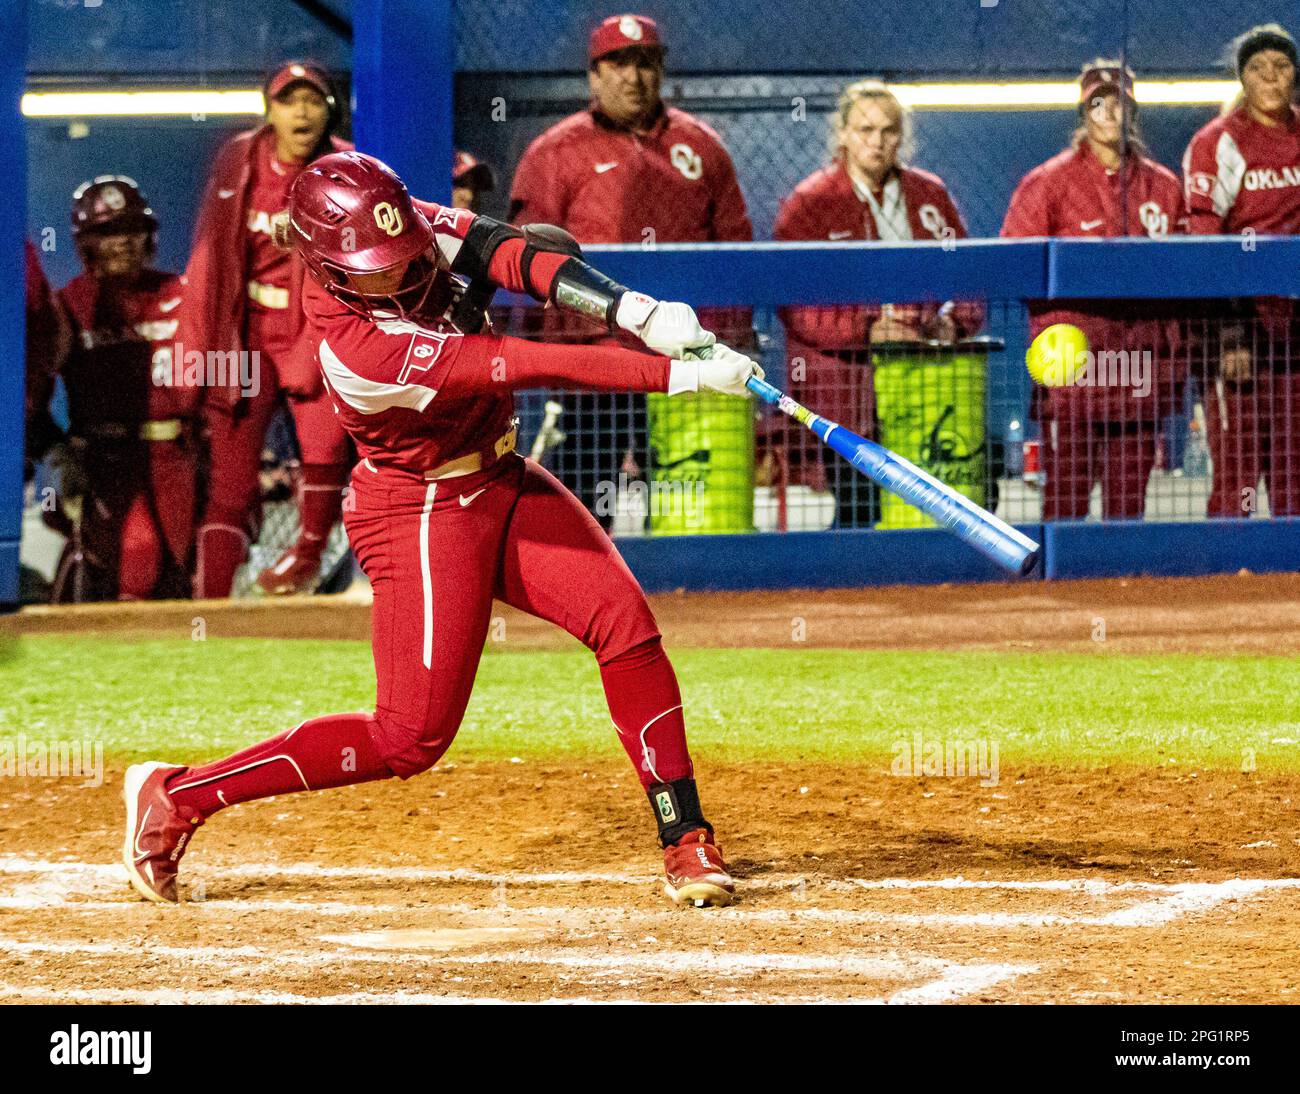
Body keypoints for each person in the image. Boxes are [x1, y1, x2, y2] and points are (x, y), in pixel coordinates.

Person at [122, 151, 761, 909]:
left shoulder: (394, 225)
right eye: (373, 266)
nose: (396, 270)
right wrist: (679, 375)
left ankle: (686, 838)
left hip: (500, 475)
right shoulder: (357, 347)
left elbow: (508, 249)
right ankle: (180, 794)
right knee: (407, 740)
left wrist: (636, 312)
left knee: (626, 627)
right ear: (327, 264)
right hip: (420, 511)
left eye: (396, 254)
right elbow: (513, 361)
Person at [507, 13, 753, 528]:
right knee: (583, 511)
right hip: (593, 366)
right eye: (617, 63)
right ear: (594, 75)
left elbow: (737, 249)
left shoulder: (703, 147)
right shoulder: (553, 153)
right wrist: (549, 355)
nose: (632, 76)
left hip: (686, 357)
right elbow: (525, 259)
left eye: (645, 63)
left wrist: (728, 338)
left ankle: (691, 597)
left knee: (687, 506)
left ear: (660, 71)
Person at [771, 79, 982, 527]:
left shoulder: (930, 196)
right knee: (858, 510)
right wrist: (866, 328)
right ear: (843, 133)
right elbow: (794, 304)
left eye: (888, 131)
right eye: (865, 130)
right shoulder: (810, 203)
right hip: (845, 388)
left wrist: (953, 322)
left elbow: (969, 277)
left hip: (924, 384)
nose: (877, 141)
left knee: (927, 509)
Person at [181, 60, 354, 597]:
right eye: (288, 100)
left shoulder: (346, 165)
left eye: (313, 99)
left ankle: (303, 564)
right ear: (270, 110)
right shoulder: (238, 158)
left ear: (328, 109)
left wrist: (325, 335)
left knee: (323, 451)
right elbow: (209, 255)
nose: (302, 110)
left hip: (314, 325)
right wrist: (197, 350)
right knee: (231, 479)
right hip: (246, 332)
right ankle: (210, 597)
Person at [1002, 61, 1186, 521]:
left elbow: (1187, 280)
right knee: (1065, 500)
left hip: (1140, 371)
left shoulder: (1163, 187)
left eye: (1117, 101)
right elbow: (1013, 264)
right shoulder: (1047, 183)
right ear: (1083, 112)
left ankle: (1124, 592)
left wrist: (1176, 359)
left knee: (1128, 506)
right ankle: (1057, 593)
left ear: (1133, 110)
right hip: (1074, 374)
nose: (1107, 112)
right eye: (1096, 102)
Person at [41, 177, 198, 600]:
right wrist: (56, 453)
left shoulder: (181, 293)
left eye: (132, 229)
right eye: (108, 232)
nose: (123, 242)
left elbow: (220, 375)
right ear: (85, 242)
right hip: (106, 459)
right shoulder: (69, 304)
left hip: (178, 458)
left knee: (183, 569)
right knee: (136, 553)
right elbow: (34, 388)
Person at [1183, 23, 1300, 518]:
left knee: (1295, 469)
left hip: (1295, 332)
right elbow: (1207, 245)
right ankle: (1227, 582)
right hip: (1239, 331)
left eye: (1282, 66)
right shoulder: (1219, 143)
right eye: (1257, 68)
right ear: (1243, 80)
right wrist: (1230, 334)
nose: (1271, 77)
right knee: (1238, 468)